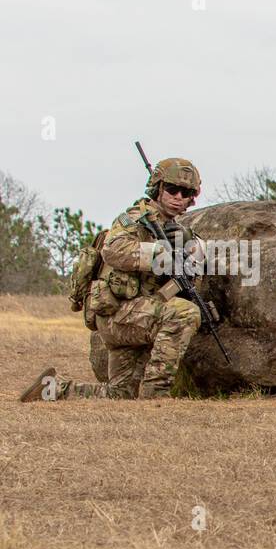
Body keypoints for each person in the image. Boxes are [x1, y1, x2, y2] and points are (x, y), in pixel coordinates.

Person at [20, 158, 204, 401]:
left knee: (119, 393)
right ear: (157, 188)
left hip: (140, 314)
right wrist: (161, 253)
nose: (178, 196)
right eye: (172, 189)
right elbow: (113, 250)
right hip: (118, 314)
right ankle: (156, 394)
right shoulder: (135, 219)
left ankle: (52, 389)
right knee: (185, 313)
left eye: (186, 192)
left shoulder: (177, 230)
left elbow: (194, 268)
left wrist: (190, 247)